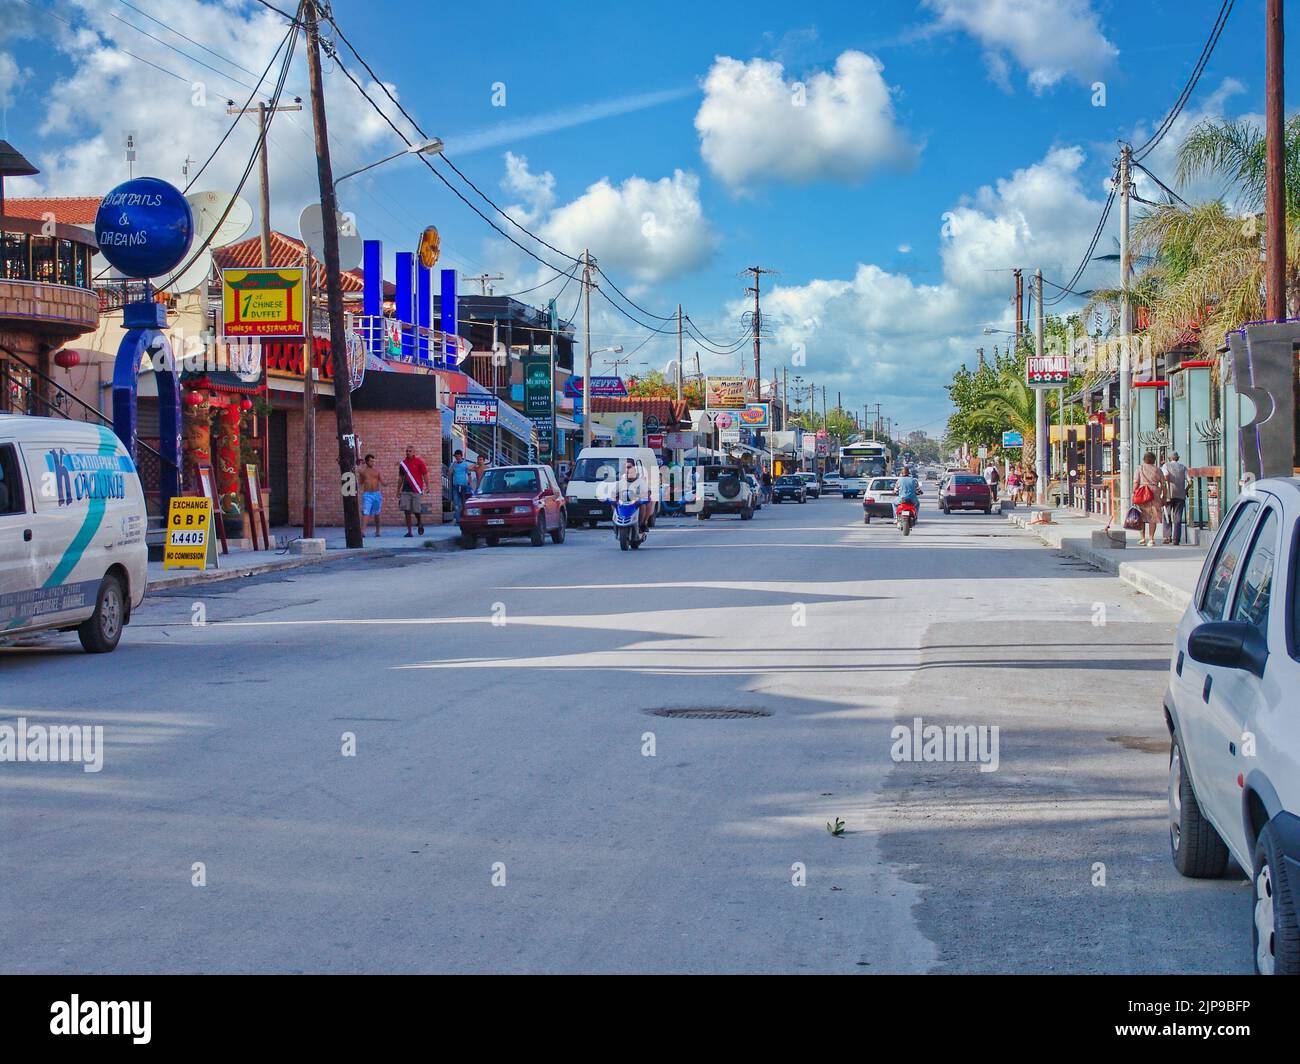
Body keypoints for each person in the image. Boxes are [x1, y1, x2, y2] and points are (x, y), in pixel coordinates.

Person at [1133, 451, 1167, 547]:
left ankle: (1142, 538)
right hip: (1154, 493)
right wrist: (1164, 496)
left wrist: (1134, 493)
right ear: (1154, 460)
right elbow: (1164, 484)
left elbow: (1136, 482)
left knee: (1141, 516)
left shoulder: (1139, 468)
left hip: (1142, 492)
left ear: (1144, 459)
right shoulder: (1157, 470)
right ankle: (1151, 539)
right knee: (1153, 516)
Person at [398, 444, 430, 537]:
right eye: (406, 451)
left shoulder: (419, 462)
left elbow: (425, 475)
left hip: (416, 489)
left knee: (416, 510)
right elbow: (400, 478)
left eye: (409, 451)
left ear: (413, 452)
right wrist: (397, 490)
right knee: (406, 510)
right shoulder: (403, 464)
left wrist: (427, 486)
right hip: (405, 490)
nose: (407, 452)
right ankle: (409, 531)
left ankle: (419, 522)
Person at [1160, 451, 1189, 545]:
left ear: (1169, 458)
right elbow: (1190, 482)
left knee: (1166, 515)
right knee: (1178, 517)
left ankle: (1167, 537)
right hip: (1180, 494)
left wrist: (1166, 487)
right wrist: (1185, 490)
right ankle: (1176, 539)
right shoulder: (1183, 467)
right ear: (1178, 458)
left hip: (1169, 494)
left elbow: (1166, 476)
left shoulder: (1165, 466)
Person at [357, 454, 386, 538]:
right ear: (367, 462)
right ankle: (362, 532)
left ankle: (377, 531)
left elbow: (382, 482)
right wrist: (359, 473)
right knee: (366, 512)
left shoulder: (377, 471)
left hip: (376, 494)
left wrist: (387, 483)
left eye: (374, 461)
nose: (373, 462)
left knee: (377, 513)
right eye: (371, 461)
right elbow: (360, 483)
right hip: (367, 494)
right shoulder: (363, 471)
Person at [448, 449, 473, 524]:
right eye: (456, 456)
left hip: (464, 485)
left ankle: (465, 518)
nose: (457, 458)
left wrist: (470, 483)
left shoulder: (465, 464)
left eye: (458, 456)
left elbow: (469, 474)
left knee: (464, 502)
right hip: (455, 485)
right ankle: (458, 520)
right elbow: (449, 473)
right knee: (456, 503)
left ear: (461, 456)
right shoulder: (453, 464)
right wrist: (453, 465)